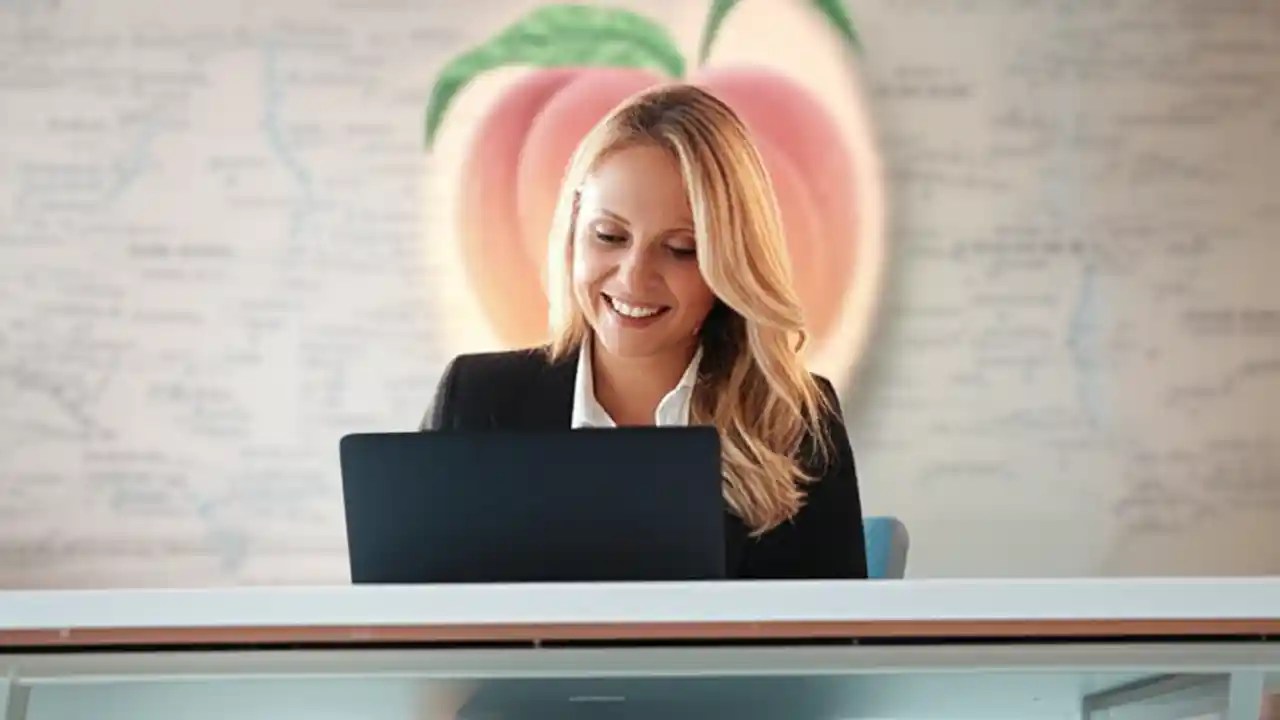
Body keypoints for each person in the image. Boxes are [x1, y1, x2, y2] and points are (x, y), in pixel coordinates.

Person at [423, 83, 867, 580]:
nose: (634, 277)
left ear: (729, 265)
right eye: (609, 236)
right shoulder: (476, 402)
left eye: (680, 248)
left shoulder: (796, 421)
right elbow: (420, 632)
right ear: (574, 229)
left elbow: (829, 647)